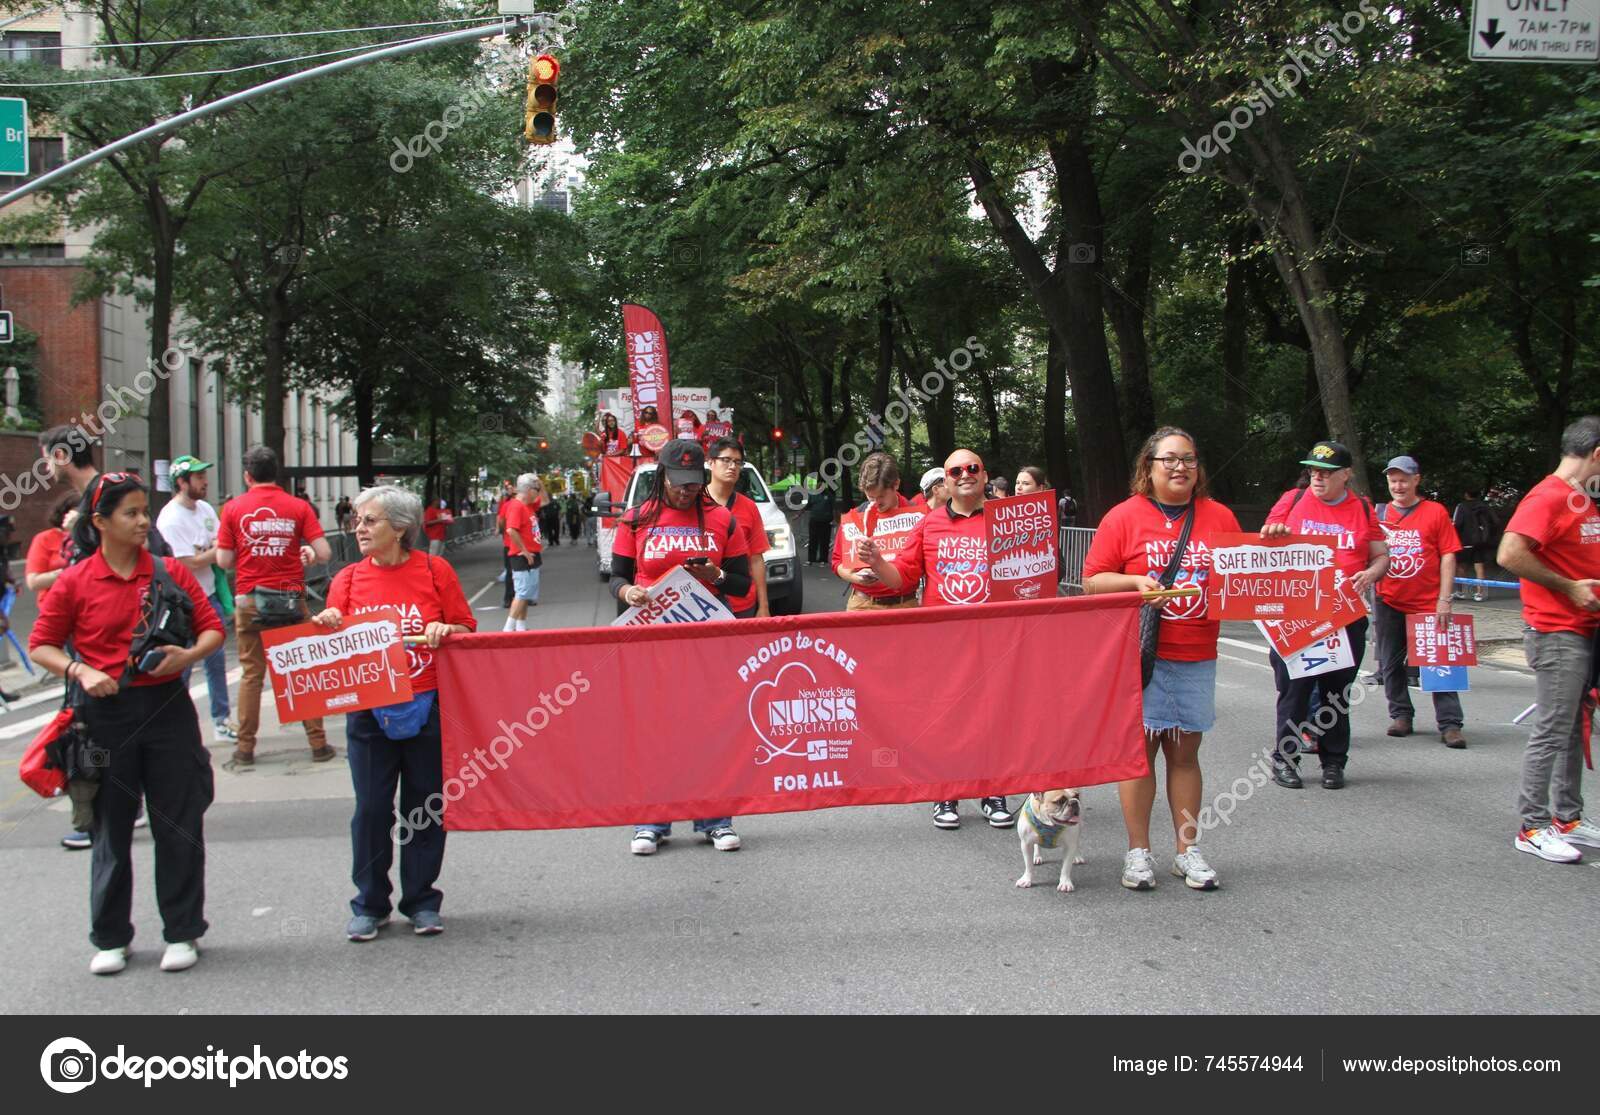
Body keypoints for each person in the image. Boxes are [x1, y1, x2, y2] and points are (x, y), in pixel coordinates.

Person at [29, 473, 224, 975]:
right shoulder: (74, 580)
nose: (143, 522)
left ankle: (182, 931)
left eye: (144, 512)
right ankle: (111, 937)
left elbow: (213, 629)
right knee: (109, 830)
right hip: (102, 718)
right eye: (131, 514)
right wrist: (81, 670)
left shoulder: (168, 573)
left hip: (167, 710)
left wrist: (186, 657)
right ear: (100, 522)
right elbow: (42, 644)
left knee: (178, 823)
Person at [311, 486, 476, 940]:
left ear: (400, 529)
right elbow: (330, 640)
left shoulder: (434, 570)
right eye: (359, 521)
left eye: (370, 521)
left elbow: (466, 627)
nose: (359, 528)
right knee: (370, 809)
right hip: (368, 712)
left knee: (424, 806)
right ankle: (369, 904)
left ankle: (422, 901)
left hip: (427, 703)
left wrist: (447, 628)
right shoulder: (345, 580)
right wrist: (327, 624)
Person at [1083, 428, 1240, 891]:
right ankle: (1138, 853)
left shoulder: (1220, 516)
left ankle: (1187, 851)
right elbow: (1092, 580)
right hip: (1140, 655)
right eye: (1169, 459)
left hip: (1196, 652)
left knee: (1185, 754)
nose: (1179, 467)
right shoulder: (1124, 517)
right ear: (1147, 467)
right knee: (1139, 756)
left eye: (1188, 459)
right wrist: (1134, 583)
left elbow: (1250, 578)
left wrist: (1270, 543)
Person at [858, 448, 1015, 830]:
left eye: (972, 468)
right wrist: (878, 563)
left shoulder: (1007, 521)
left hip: (994, 638)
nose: (965, 474)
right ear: (945, 481)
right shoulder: (929, 525)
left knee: (993, 716)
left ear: (984, 474)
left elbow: (1034, 573)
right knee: (947, 716)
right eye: (956, 470)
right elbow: (904, 578)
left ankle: (994, 791)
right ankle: (946, 792)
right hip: (944, 640)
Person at [611, 439, 752, 855]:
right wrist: (629, 594)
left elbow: (742, 583)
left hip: (706, 641)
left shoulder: (722, 519)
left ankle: (716, 819)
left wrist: (717, 575)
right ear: (662, 477)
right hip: (652, 640)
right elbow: (616, 578)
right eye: (678, 484)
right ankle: (651, 820)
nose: (687, 491)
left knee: (709, 726)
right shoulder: (636, 519)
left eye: (693, 484)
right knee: (655, 729)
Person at [1497, 415, 1600, 864]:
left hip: (1580, 632)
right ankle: (1532, 826)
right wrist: (1570, 587)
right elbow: (1509, 553)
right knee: (1553, 730)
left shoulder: (1581, 498)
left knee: (1574, 728)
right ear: (1598, 453)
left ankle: (1568, 818)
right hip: (1557, 632)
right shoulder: (1549, 496)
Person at [1261, 441, 1389, 790]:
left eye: (1327, 472)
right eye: (1314, 470)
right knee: (1294, 692)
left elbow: (1381, 555)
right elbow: (1263, 547)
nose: (1318, 477)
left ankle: (1334, 762)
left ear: (1346, 475)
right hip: (1298, 617)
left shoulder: (1362, 508)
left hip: (1345, 616)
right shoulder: (1293, 500)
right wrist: (1272, 535)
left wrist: (1372, 573)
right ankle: (1285, 762)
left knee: (1337, 694)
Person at [217, 446, 335, 768]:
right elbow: (324, 553)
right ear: (277, 473)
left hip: (251, 598)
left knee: (252, 674)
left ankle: (244, 749)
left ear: (247, 476)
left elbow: (224, 560)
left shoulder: (232, 509)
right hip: (288, 595)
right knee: (300, 669)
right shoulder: (298, 507)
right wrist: (303, 549)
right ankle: (319, 744)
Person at [1372, 456, 1467, 748]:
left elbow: (1449, 554)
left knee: (1440, 661)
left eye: (1404, 480)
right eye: (1393, 480)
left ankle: (1450, 724)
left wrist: (1445, 598)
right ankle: (1401, 714)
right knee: (1390, 661)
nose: (1398, 486)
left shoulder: (1435, 512)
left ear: (1416, 480)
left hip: (1428, 600)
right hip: (1388, 597)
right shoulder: (1378, 513)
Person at [156, 455, 235, 743]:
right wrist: (215, 552)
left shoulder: (204, 509)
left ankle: (221, 720)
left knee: (215, 661)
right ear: (182, 482)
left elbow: (217, 542)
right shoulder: (170, 519)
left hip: (209, 596)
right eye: (199, 477)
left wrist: (212, 552)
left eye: (204, 475)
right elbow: (187, 564)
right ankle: (174, 727)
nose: (205, 482)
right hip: (181, 604)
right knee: (182, 666)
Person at [832, 452, 924, 610]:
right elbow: (837, 562)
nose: (875, 503)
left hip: (905, 603)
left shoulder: (918, 516)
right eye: (870, 497)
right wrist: (855, 578)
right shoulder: (854, 517)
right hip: (862, 603)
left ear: (896, 485)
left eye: (881, 496)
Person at [706, 436, 771, 617]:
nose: (733, 466)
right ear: (710, 462)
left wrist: (763, 607)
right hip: (702, 604)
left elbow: (756, 559)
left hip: (742, 604)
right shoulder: (695, 503)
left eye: (737, 462)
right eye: (726, 460)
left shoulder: (749, 507)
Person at [502, 474, 544, 631]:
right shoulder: (516, 506)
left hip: (531, 554)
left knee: (526, 593)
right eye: (536, 489)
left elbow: (544, 500)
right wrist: (524, 551)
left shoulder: (528, 506)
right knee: (522, 592)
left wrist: (539, 482)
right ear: (528, 490)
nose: (537, 492)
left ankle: (520, 626)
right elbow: (511, 530)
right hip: (522, 555)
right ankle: (508, 628)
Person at [25, 495, 77, 602]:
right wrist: (68, 572)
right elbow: (34, 582)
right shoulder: (45, 539)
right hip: (55, 603)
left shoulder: (95, 536)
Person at [1451, 488, 1496, 602]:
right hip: (1480, 541)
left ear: (1466, 494)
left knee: (1461, 566)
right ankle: (1480, 593)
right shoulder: (1484, 506)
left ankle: (1462, 592)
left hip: (1464, 541)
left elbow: (1457, 524)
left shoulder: (1461, 506)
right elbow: (1495, 522)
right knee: (1479, 567)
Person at [805, 484, 835, 566]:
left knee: (824, 541)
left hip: (826, 521)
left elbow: (833, 507)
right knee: (813, 540)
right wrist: (798, 514)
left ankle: (823, 560)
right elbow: (807, 506)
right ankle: (811, 559)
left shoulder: (829, 495)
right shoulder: (813, 495)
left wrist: (835, 519)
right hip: (814, 520)